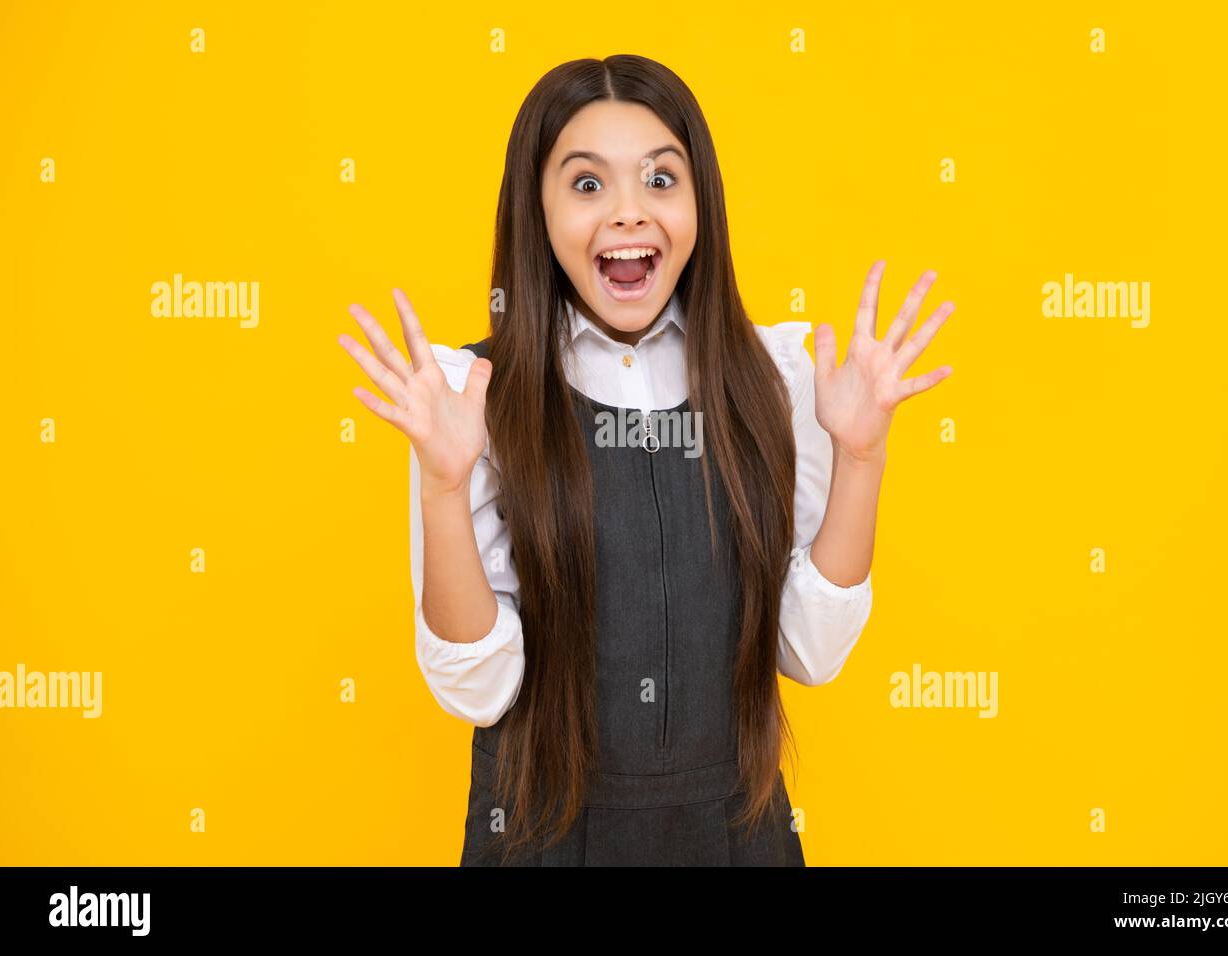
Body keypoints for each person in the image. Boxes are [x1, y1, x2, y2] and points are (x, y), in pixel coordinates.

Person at [337, 54, 954, 866]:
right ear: (539, 210)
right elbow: (479, 688)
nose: (629, 214)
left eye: (661, 180)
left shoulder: (780, 378)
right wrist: (445, 490)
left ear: (702, 204)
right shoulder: (472, 396)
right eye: (587, 185)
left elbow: (810, 650)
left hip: (735, 840)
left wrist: (862, 455)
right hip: (539, 841)